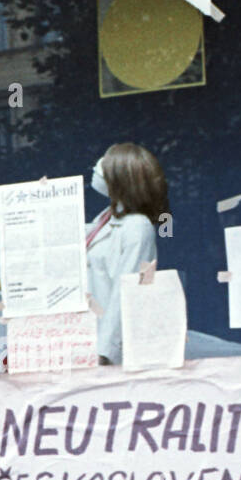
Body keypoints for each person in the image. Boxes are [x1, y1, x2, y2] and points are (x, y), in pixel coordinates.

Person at [84, 143, 169, 365]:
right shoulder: (106, 217)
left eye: (106, 162)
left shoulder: (137, 228)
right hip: (87, 340)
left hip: (110, 354)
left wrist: (104, 351)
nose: (97, 167)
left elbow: (127, 292)